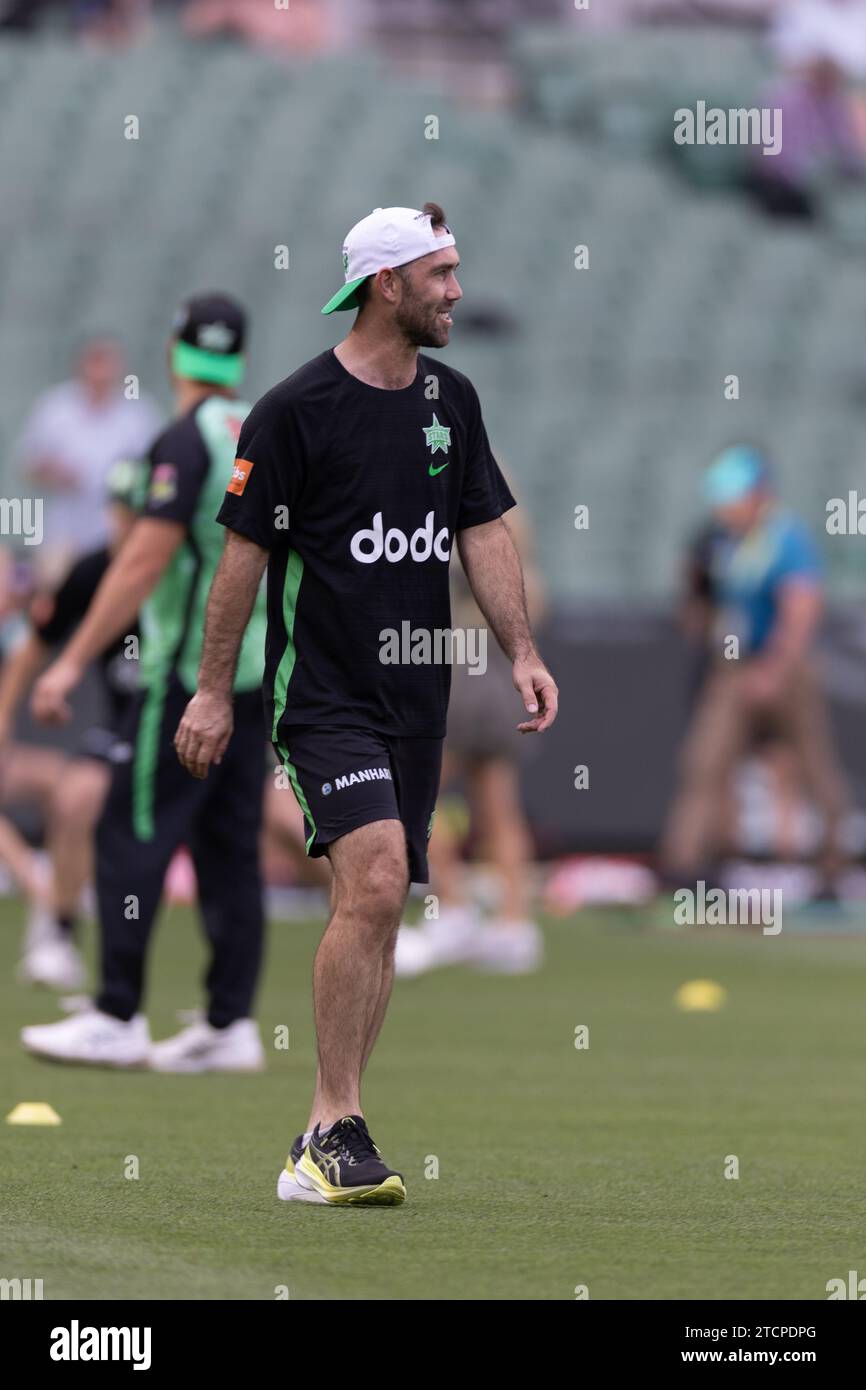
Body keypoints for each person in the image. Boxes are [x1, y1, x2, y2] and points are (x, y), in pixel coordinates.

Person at [174, 204, 559, 1206]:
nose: (456, 291)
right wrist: (214, 690)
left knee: (377, 909)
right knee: (379, 880)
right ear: (385, 284)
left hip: (417, 700)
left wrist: (519, 647)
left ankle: (323, 1137)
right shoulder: (293, 410)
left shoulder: (452, 401)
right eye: (441, 273)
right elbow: (242, 560)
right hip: (321, 699)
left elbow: (481, 530)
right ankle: (333, 1123)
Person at [20, 292, 269, 1073]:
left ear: (173, 353)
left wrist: (67, 660)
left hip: (185, 678)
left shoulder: (178, 440)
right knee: (229, 849)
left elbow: (142, 561)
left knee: (129, 833)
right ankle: (230, 1025)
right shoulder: (253, 426)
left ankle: (116, 1013)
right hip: (251, 675)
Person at [659, 445, 849, 896]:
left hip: (781, 665)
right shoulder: (721, 541)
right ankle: (684, 865)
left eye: (733, 496)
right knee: (704, 763)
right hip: (733, 667)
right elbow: (700, 612)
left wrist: (776, 669)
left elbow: (801, 606)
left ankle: (834, 867)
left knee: (813, 765)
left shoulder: (785, 538)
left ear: (758, 493)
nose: (725, 506)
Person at [0, 460, 144, 990]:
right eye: (121, 512)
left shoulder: (188, 569)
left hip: (196, 725)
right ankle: (59, 930)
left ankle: (375, 919)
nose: (127, 525)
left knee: (279, 824)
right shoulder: (92, 571)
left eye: (141, 513)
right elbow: (35, 645)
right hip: (124, 727)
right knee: (76, 795)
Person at [395, 493, 547, 977]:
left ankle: (455, 907)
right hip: (497, 675)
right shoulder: (509, 528)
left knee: (412, 798)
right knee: (500, 807)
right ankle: (514, 925)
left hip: (456, 672)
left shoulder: (441, 509)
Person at [14, 335, 161, 574]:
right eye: (95, 362)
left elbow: (157, 470)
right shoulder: (55, 407)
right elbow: (28, 465)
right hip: (63, 534)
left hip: (117, 535)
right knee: (53, 600)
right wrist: (52, 472)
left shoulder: (138, 413)